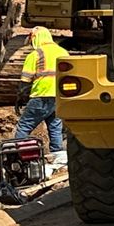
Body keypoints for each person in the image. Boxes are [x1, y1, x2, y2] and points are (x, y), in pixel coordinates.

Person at [15, 27, 67, 163]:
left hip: (41, 96)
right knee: (55, 127)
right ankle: (59, 158)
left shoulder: (36, 55)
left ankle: (16, 155)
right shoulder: (63, 52)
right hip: (59, 97)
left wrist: (20, 98)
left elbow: (25, 81)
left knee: (24, 126)